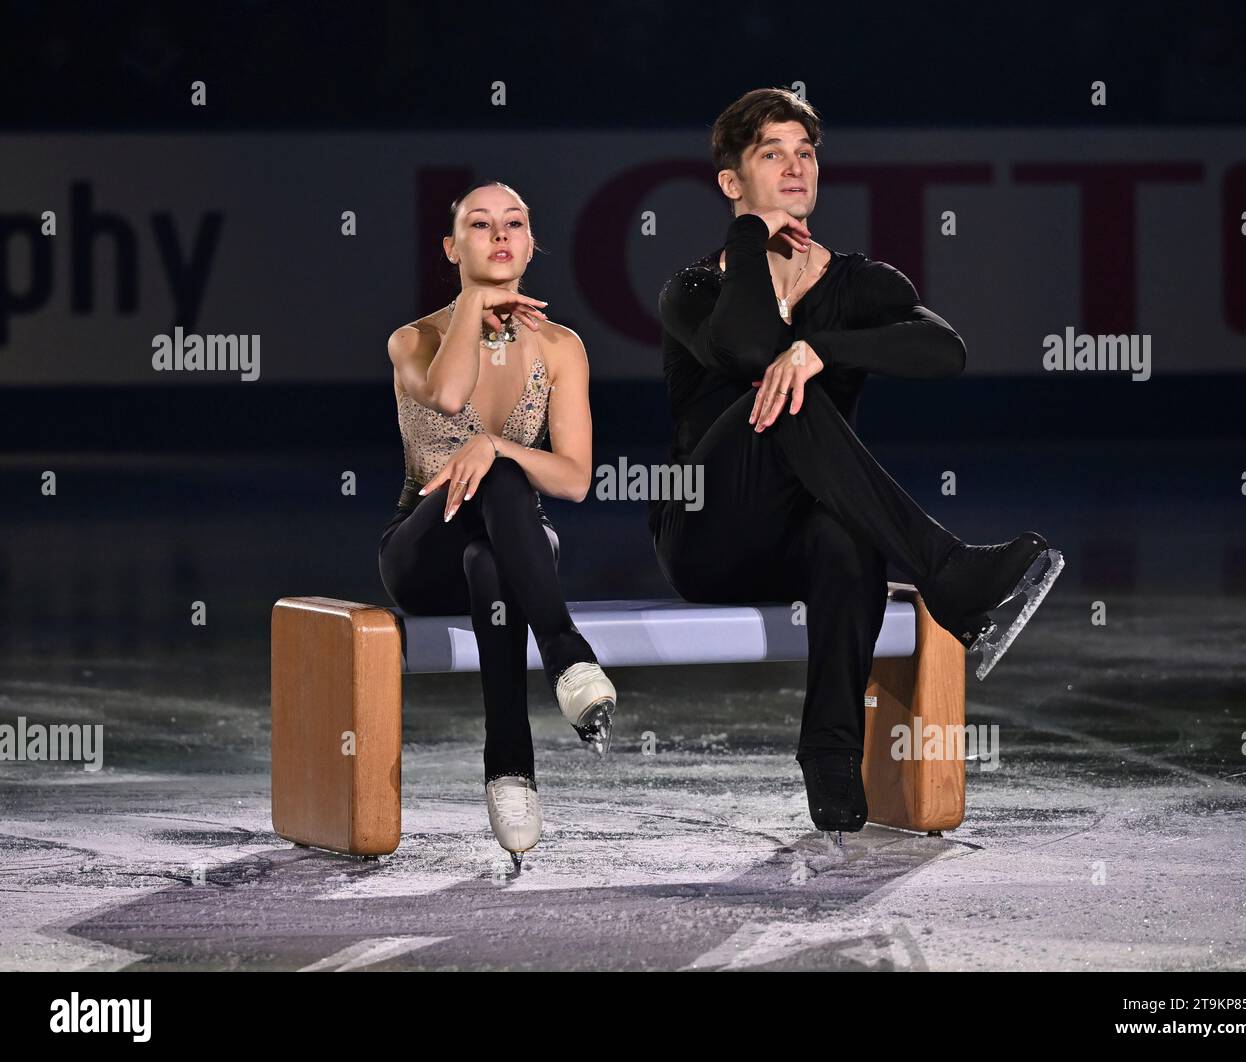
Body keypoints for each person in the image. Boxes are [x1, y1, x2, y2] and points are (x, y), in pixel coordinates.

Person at [649, 89, 1063, 838]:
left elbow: (945, 351)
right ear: (731, 181)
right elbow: (746, 350)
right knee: (784, 393)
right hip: (704, 534)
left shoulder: (857, 283)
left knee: (847, 536)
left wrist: (824, 345)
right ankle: (946, 570)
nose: (795, 166)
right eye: (771, 153)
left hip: (797, 540)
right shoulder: (696, 289)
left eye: (805, 152)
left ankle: (831, 754)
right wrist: (751, 240)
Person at [378, 180, 616, 871]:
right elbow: (450, 395)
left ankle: (510, 770)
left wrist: (498, 446)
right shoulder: (412, 339)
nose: (500, 234)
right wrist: (476, 308)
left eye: (514, 222)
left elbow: (574, 477)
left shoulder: (561, 347)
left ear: (532, 243)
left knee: (499, 520)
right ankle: (568, 656)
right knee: (491, 491)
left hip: (511, 552)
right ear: (453, 248)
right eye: (480, 225)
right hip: (422, 548)